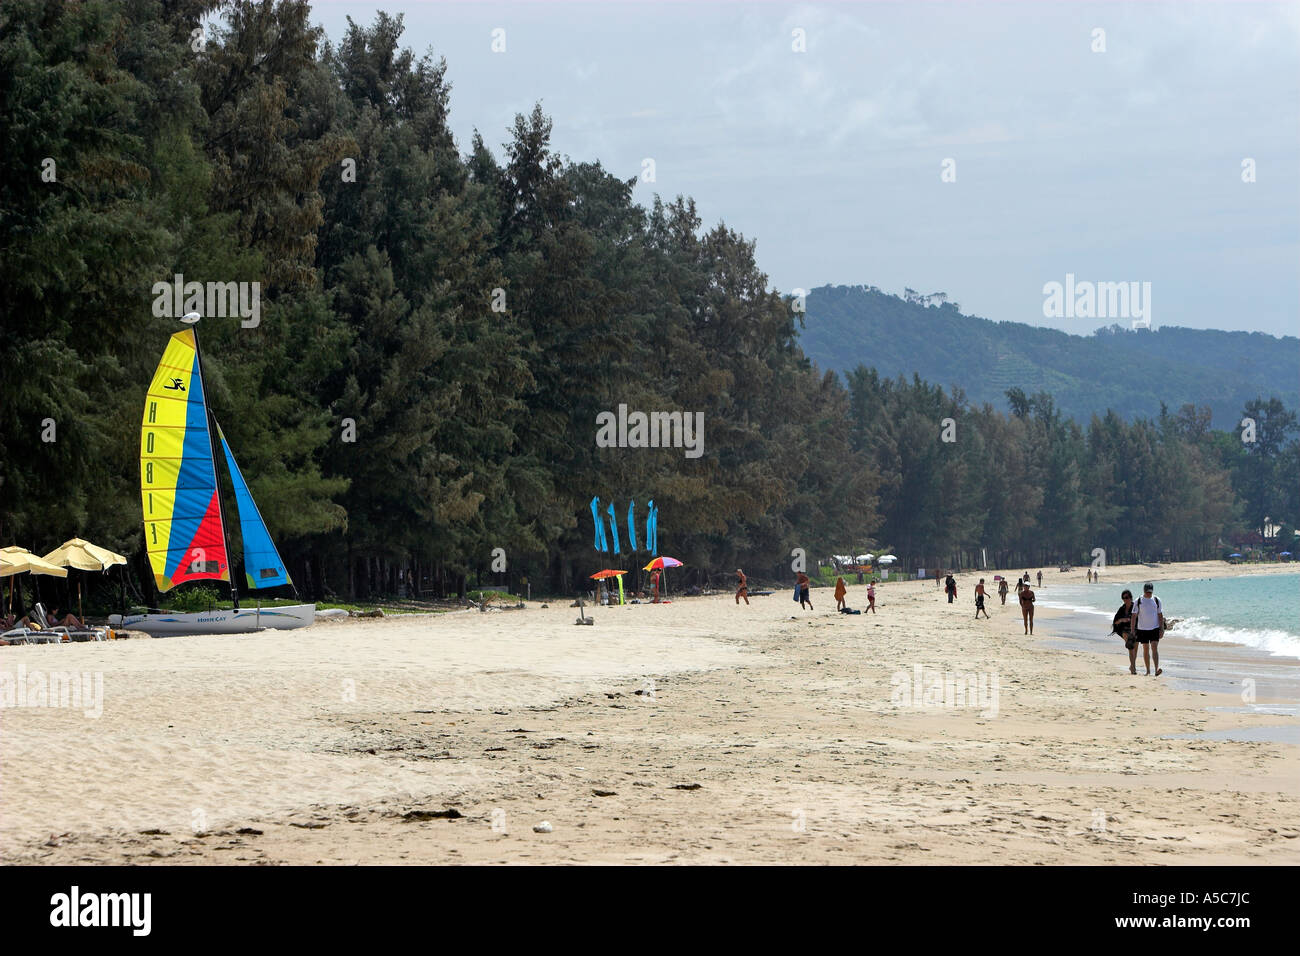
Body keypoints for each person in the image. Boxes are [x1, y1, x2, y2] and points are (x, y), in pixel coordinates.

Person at [1130, 582, 1165, 676]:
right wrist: (1132, 630)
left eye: (1150, 592)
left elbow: (1160, 615)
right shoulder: (1138, 601)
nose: (1148, 594)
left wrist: (1162, 629)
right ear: (1144, 591)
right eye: (1147, 592)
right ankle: (1148, 670)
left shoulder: (1157, 600)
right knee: (1146, 649)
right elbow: (1133, 616)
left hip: (1154, 628)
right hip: (1142, 629)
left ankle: (1156, 670)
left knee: (1154, 647)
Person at [1111, 589, 1138, 674]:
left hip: (1135, 630)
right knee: (1130, 646)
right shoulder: (1122, 609)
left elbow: (1141, 618)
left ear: (1131, 597)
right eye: (1123, 598)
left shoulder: (1135, 607)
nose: (1125, 599)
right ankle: (1133, 669)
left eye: (1127, 597)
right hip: (1124, 630)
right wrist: (1122, 620)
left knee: (1135, 649)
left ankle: (1132, 666)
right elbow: (1115, 621)